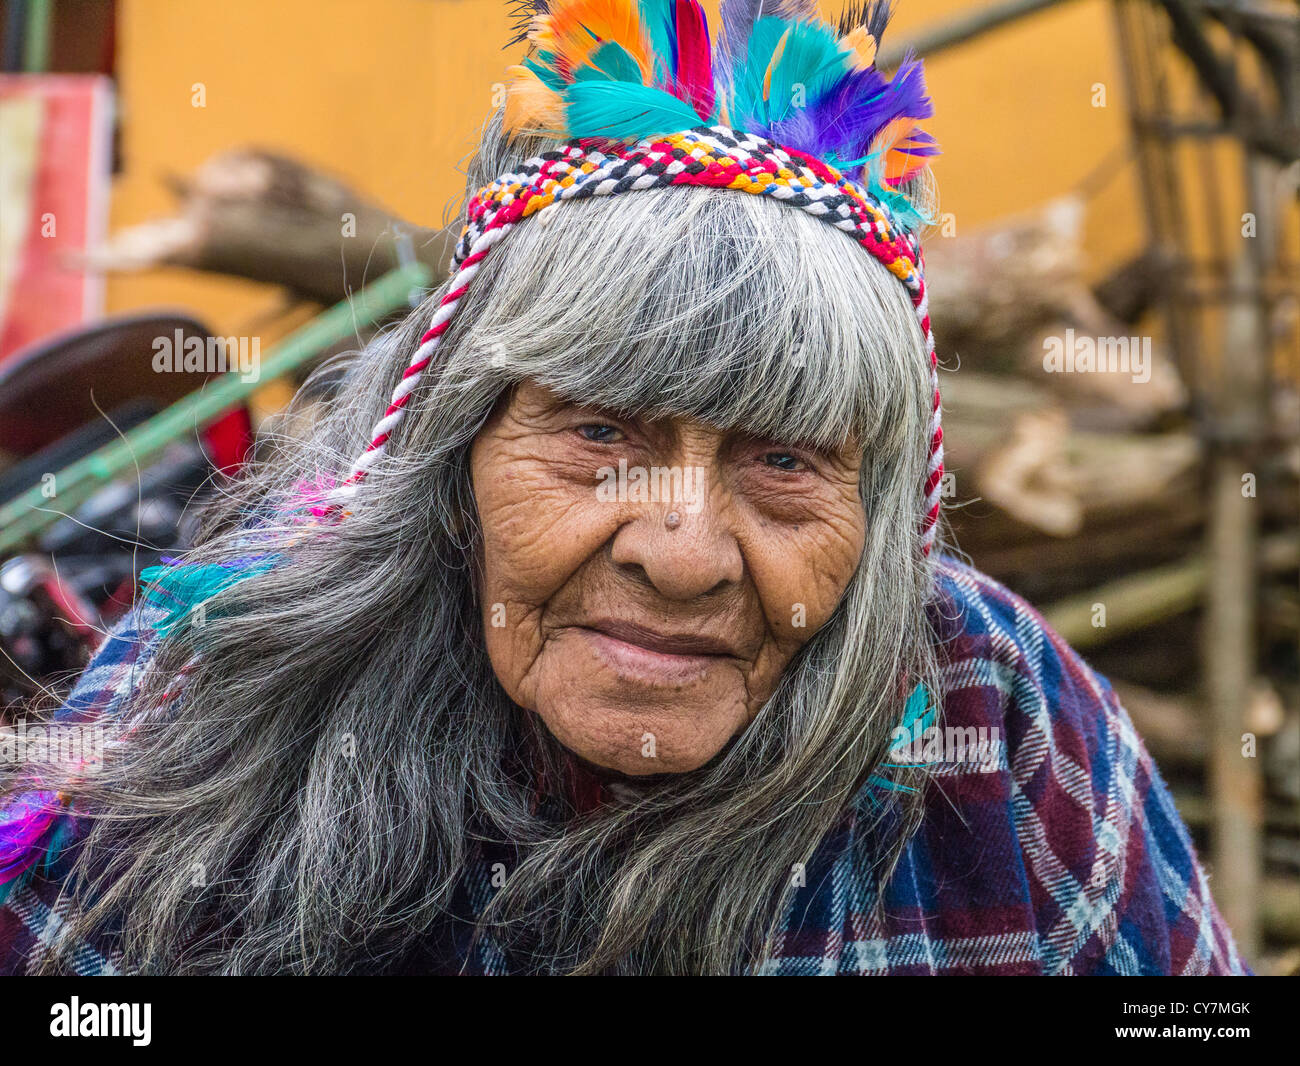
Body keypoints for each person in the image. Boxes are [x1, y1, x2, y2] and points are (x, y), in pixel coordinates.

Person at [0, 0, 1247, 975]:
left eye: (785, 459)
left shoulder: (996, 720)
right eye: (597, 431)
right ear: (449, 461)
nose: (683, 550)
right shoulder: (224, 676)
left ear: (879, 528)